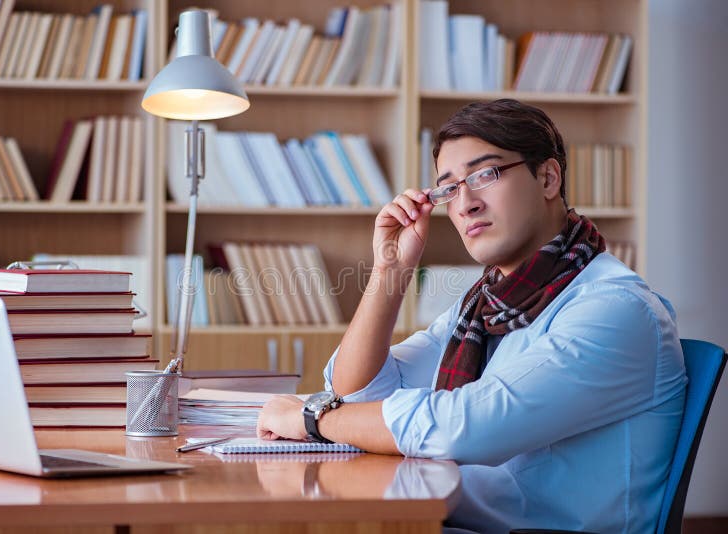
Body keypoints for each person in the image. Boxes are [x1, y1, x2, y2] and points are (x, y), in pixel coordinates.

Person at [257, 99, 687, 533]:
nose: (465, 204)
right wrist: (390, 271)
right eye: (449, 188)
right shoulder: (487, 306)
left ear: (548, 178)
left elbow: (461, 427)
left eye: (485, 175)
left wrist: (313, 419)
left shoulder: (615, 310)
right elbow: (358, 395)